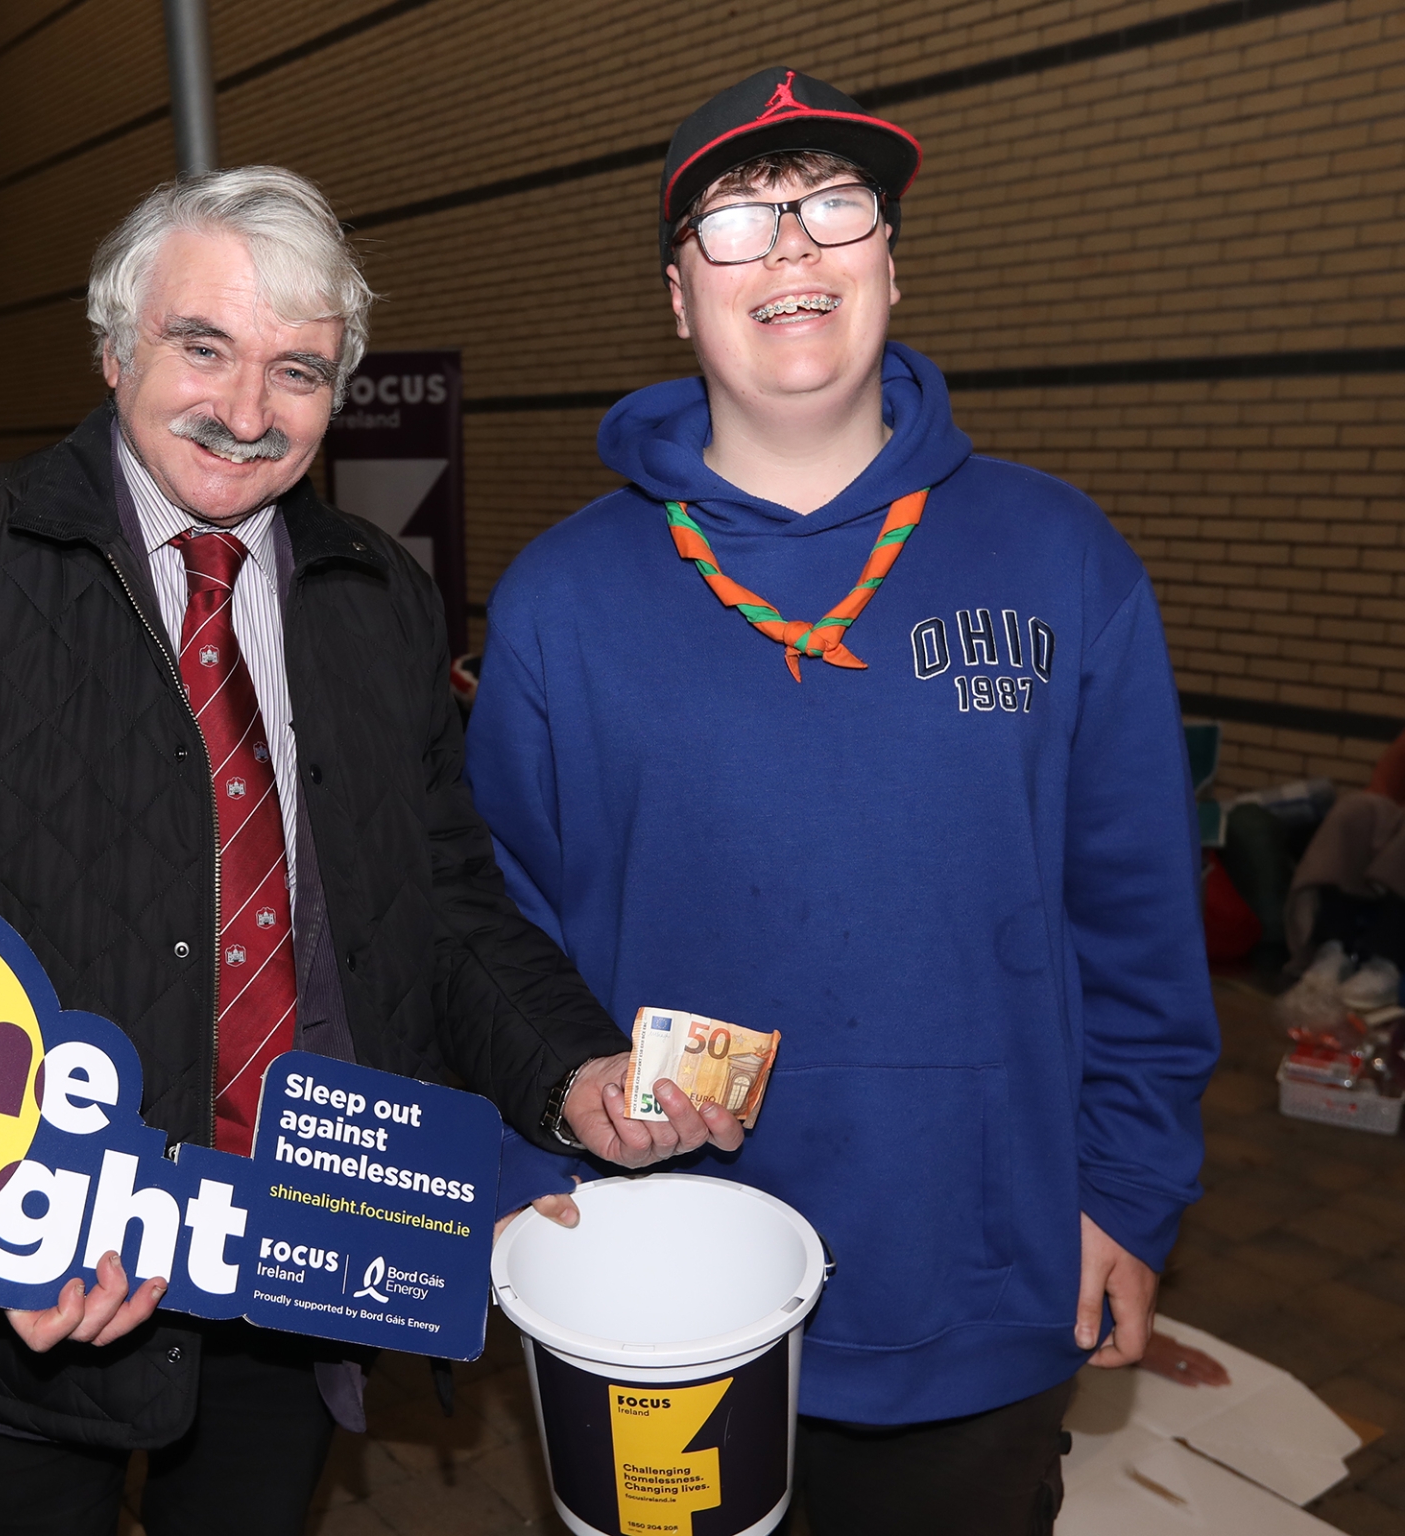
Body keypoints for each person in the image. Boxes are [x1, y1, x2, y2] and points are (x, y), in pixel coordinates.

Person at [0, 165, 732, 1536]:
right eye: (203, 346)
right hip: (24, 1291)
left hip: (301, 1256)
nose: (245, 409)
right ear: (116, 348)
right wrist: (3, 1205)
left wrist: (569, 1067)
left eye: (298, 368)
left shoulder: (374, 596)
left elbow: (446, 900)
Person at [463, 69, 1221, 1535]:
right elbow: (501, 925)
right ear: (679, 296)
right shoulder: (561, 599)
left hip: (987, 1275)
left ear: (892, 260)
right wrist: (518, 1180)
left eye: (833, 207)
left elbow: (1136, 919)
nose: (794, 248)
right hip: (662, 1286)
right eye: (740, 219)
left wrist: (1130, 1190)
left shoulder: (1061, 560)